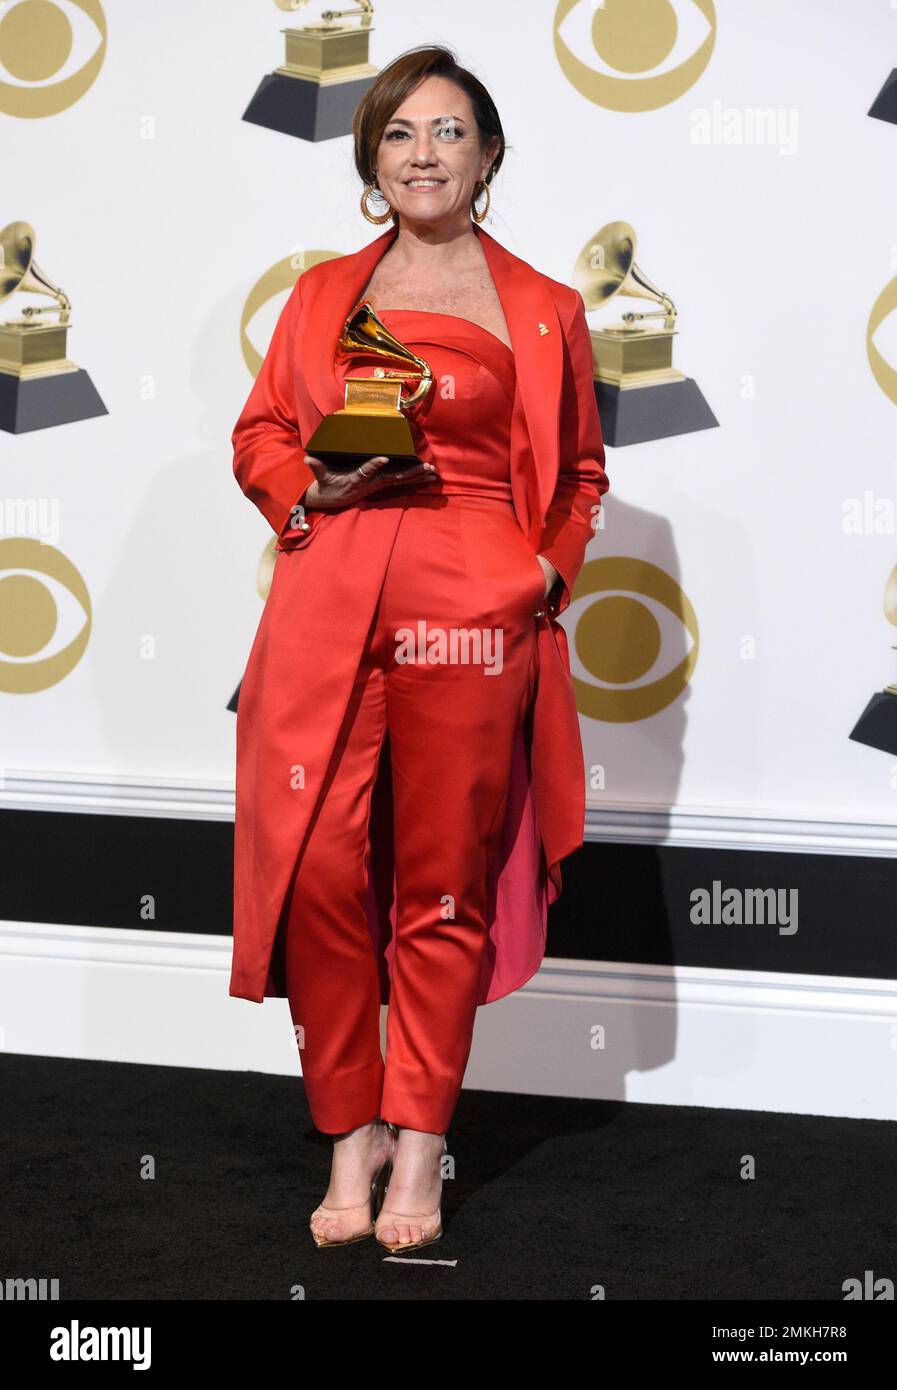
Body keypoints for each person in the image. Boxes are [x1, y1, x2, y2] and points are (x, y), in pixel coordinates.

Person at [229, 43, 609, 1253]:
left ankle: (421, 1144)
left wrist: (540, 571)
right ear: (370, 160)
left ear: (488, 156)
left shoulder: (545, 307)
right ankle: (351, 1131)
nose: (423, 154)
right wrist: (311, 492)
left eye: (448, 132)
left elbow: (583, 476)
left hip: (473, 615)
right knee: (322, 875)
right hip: (330, 595)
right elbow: (262, 436)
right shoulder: (319, 296)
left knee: (441, 883)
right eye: (399, 134)